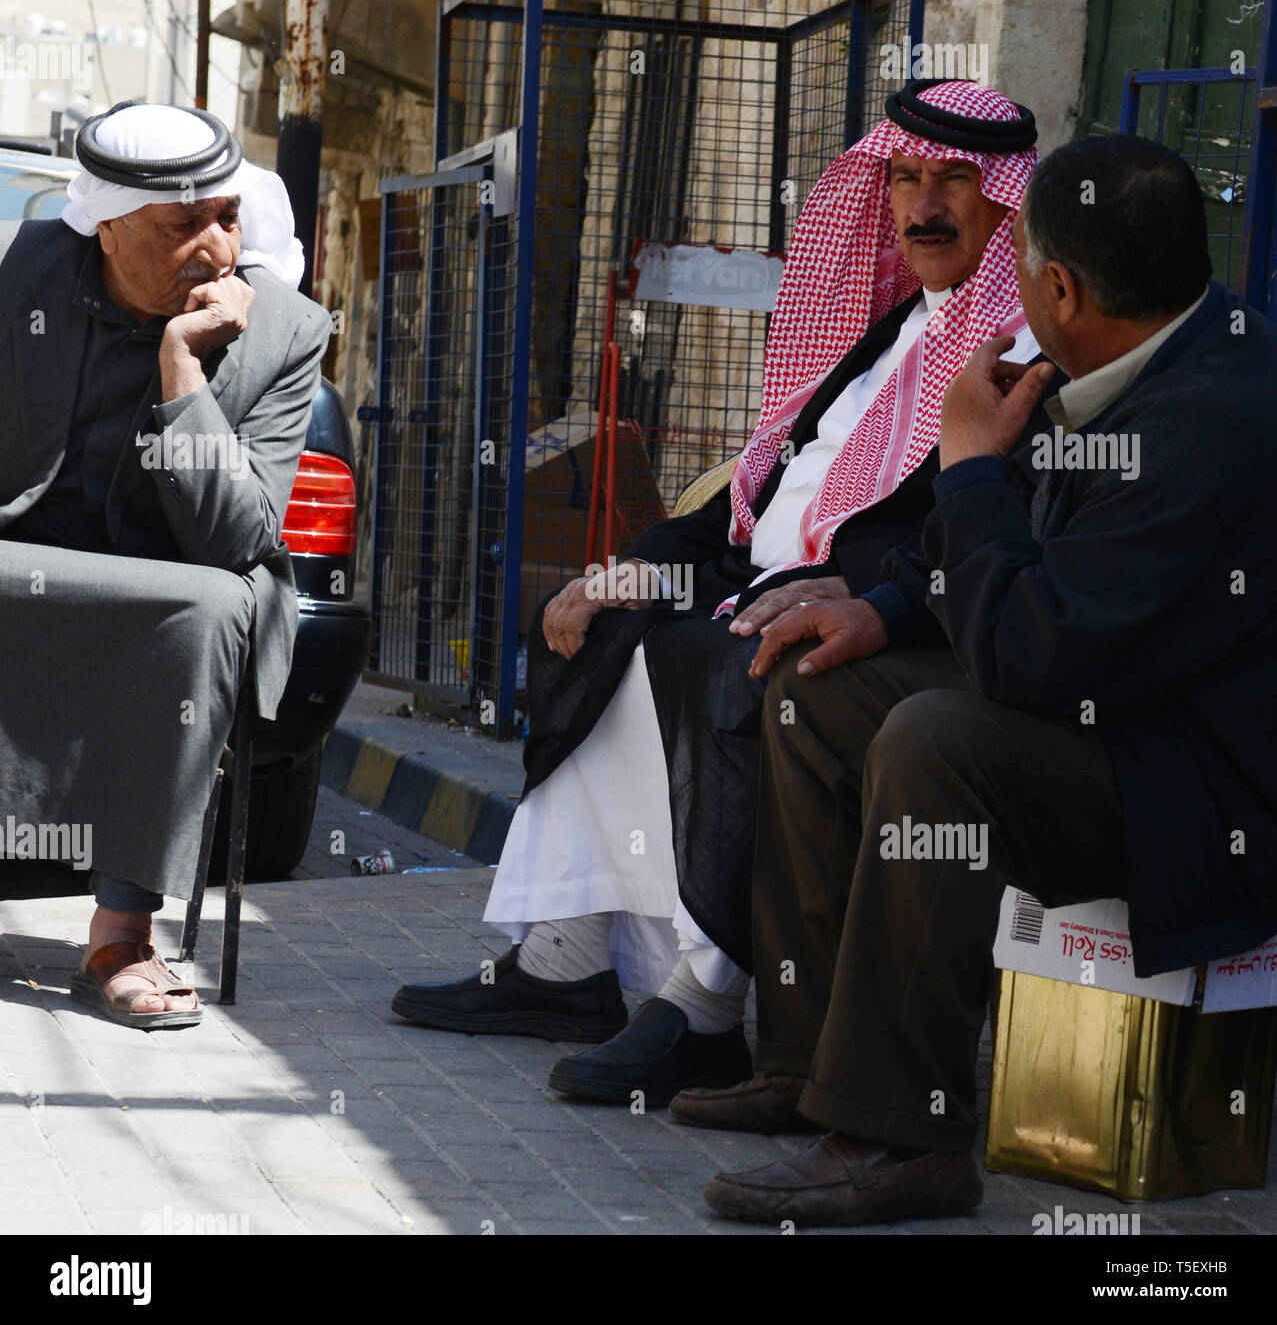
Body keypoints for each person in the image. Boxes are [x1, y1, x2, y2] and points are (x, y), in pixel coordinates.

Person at [393, 80, 1042, 1102]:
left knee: (704, 661)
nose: (922, 205)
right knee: (608, 626)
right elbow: (756, 500)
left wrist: (858, 589)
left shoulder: (1018, 359)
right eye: (905, 178)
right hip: (759, 584)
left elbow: (977, 527)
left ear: (1005, 202)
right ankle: (565, 962)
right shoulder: (882, 335)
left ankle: (698, 1004)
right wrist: (633, 566)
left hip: (879, 629)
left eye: (954, 181)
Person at [680, 132, 1277, 1227]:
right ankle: (808, 1068)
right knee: (815, 686)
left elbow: (1028, 653)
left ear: (1058, 285)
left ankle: (900, 1134)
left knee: (933, 739)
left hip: (1199, 796)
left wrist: (964, 465)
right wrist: (878, 607)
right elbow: (1006, 580)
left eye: (1024, 272)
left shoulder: (1219, 420)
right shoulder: (1119, 349)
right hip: (1113, 713)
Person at [0, 101, 331, 1028]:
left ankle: (119, 936)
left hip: (176, 579)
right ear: (107, 227)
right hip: (27, 556)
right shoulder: (26, 275)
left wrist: (183, 370)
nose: (217, 248)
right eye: (182, 226)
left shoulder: (281, 333)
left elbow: (237, 541)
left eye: (227, 217)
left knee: (197, 612)